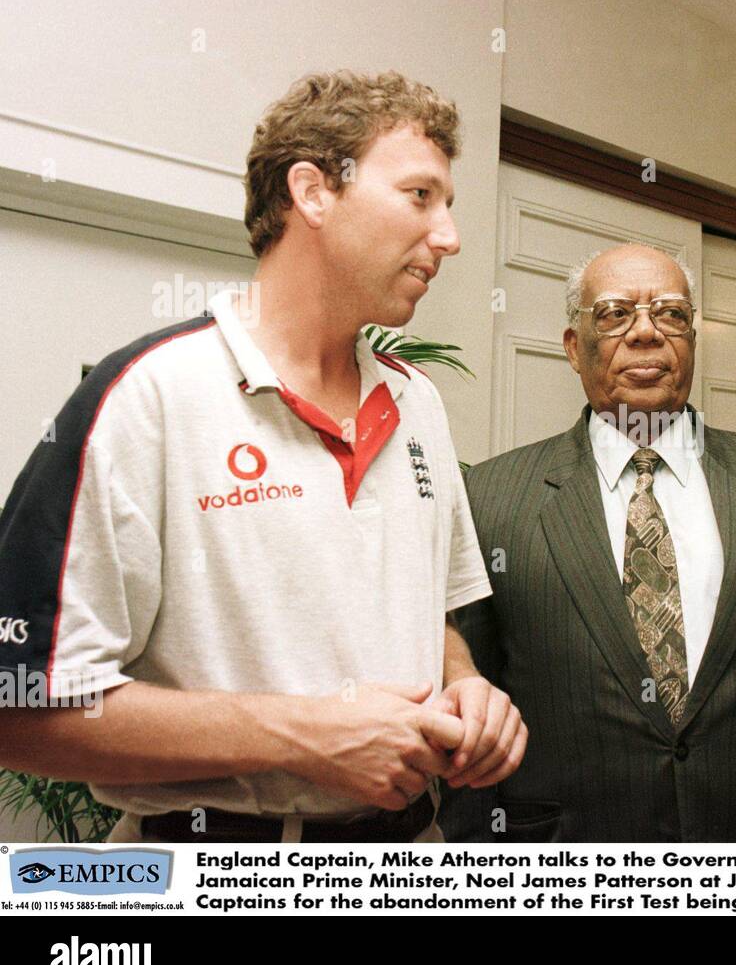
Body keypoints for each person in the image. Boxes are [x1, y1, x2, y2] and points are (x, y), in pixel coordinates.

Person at [0, 70, 525, 843]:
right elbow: (21, 713)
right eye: (420, 196)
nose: (448, 235)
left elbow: (431, 611)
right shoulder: (148, 396)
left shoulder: (419, 405)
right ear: (312, 192)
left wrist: (467, 685)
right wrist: (303, 736)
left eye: (448, 206)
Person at [439, 243, 736, 842]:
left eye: (670, 313)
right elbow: (469, 712)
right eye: (614, 314)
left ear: (692, 337)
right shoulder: (491, 496)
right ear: (572, 347)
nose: (646, 333)